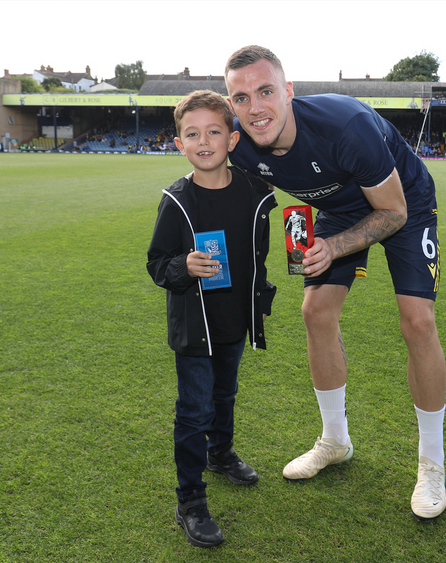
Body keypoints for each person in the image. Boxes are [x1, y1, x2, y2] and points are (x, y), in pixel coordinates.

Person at [224, 45, 446, 521]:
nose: (255, 107)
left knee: (417, 321)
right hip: (337, 209)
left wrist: (336, 247)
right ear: (232, 105)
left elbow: (393, 212)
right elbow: (258, 204)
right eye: (241, 98)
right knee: (314, 311)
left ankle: (432, 463)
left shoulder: (346, 125)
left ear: (288, 91)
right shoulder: (238, 141)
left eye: (266, 91)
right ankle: (335, 441)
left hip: (401, 203)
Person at [146, 90, 278, 548]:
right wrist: (184, 266)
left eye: (214, 131)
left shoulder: (254, 192)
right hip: (194, 328)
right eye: (192, 134)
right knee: (194, 409)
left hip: (236, 320)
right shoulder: (177, 200)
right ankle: (191, 500)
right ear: (179, 143)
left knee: (226, 393)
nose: (203, 141)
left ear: (233, 139)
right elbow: (157, 263)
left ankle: (220, 453)